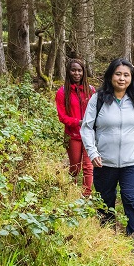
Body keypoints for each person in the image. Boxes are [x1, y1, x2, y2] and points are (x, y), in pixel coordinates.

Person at [80, 58, 134, 251]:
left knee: (132, 199)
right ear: (111, 76)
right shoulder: (99, 99)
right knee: (105, 201)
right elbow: (86, 128)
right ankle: (107, 240)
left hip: (132, 162)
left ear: (131, 78)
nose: (122, 78)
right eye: (118, 74)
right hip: (104, 162)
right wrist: (92, 152)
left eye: (126, 75)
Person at [55, 58, 95, 197]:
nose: (76, 73)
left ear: (83, 72)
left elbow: (97, 111)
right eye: (73, 70)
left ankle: (86, 196)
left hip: (89, 135)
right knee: (75, 167)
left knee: (88, 167)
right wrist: (78, 122)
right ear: (68, 72)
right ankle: (72, 191)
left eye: (79, 70)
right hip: (73, 135)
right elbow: (62, 117)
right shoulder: (62, 92)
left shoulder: (90, 91)